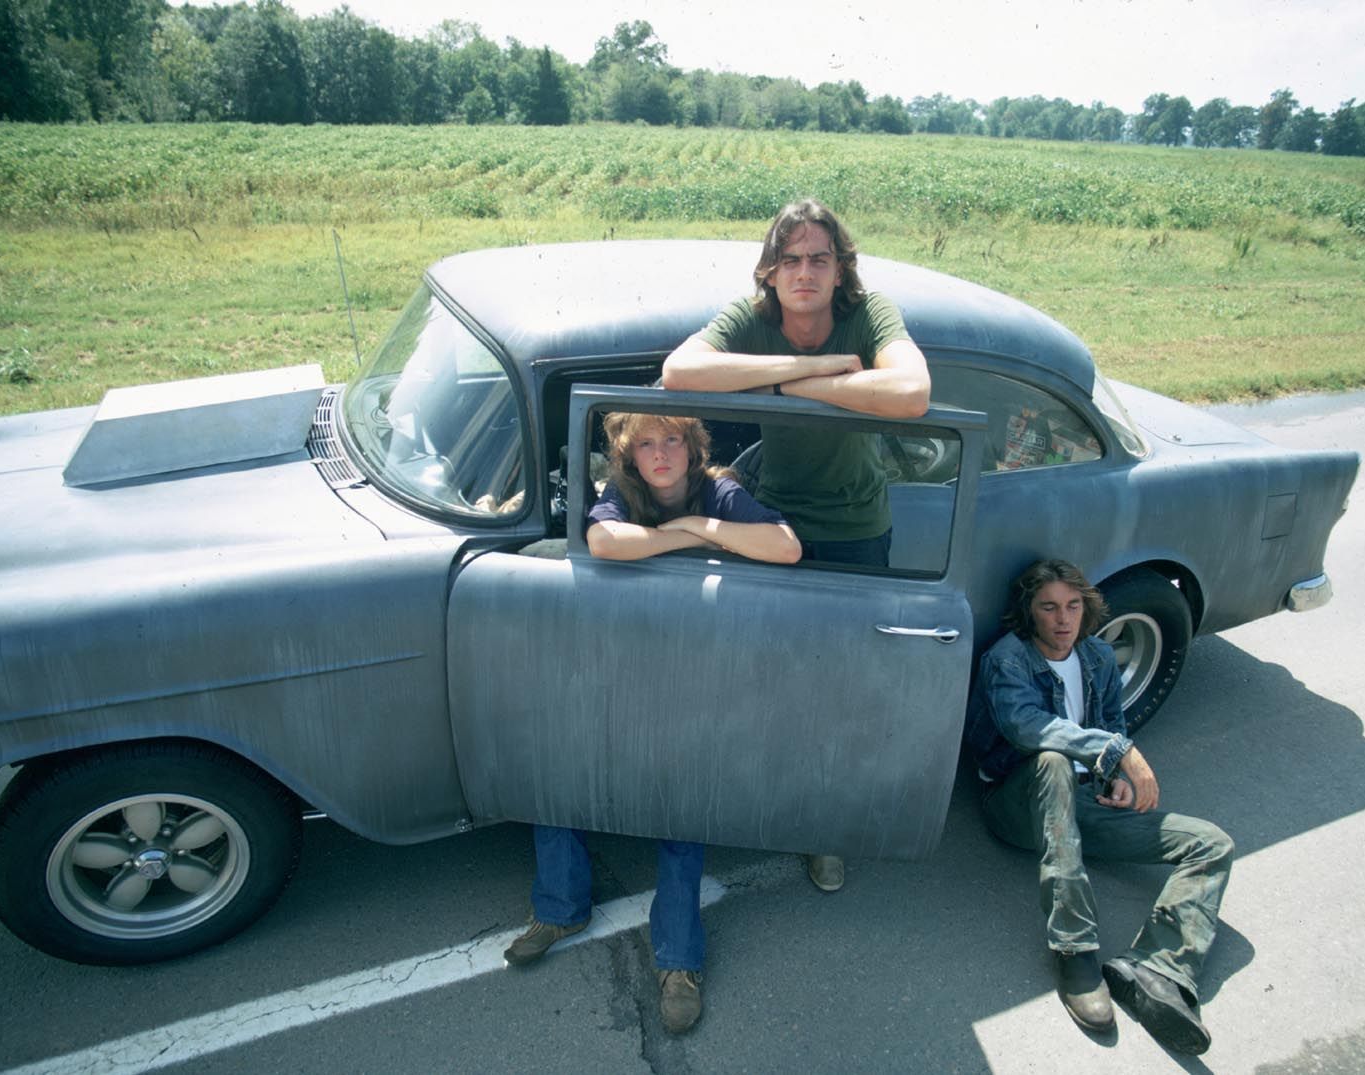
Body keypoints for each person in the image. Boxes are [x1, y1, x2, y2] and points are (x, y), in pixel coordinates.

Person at [662, 196, 929, 893]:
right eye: (791, 259)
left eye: (819, 258)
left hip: (855, 529)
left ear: (840, 269)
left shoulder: (869, 315)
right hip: (772, 520)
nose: (805, 271)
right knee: (766, 674)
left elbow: (911, 392)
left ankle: (823, 829)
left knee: (841, 685)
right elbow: (679, 374)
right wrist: (796, 373)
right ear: (770, 271)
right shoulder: (752, 319)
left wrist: (816, 380)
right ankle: (758, 801)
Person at [504, 411, 800, 1035]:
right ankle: (561, 909)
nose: (660, 454)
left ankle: (678, 961)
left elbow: (785, 546)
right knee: (557, 772)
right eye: (646, 444)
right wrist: (695, 538)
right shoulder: (621, 495)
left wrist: (698, 521)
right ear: (627, 454)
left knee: (679, 803)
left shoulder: (718, 490)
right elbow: (607, 543)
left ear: (691, 449)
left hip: (693, 670)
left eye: (672, 440)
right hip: (619, 663)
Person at [964, 559, 1233, 1054]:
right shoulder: (1008, 659)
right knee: (1053, 762)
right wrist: (1118, 755)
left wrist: (1116, 779)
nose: (1062, 619)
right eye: (1048, 608)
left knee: (1212, 844)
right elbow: (1026, 726)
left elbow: (1112, 726)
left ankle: (1158, 970)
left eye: (1072, 606)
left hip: (1084, 802)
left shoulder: (1096, 657)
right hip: (1017, 801)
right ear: (1030, 613)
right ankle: (1075, 950)